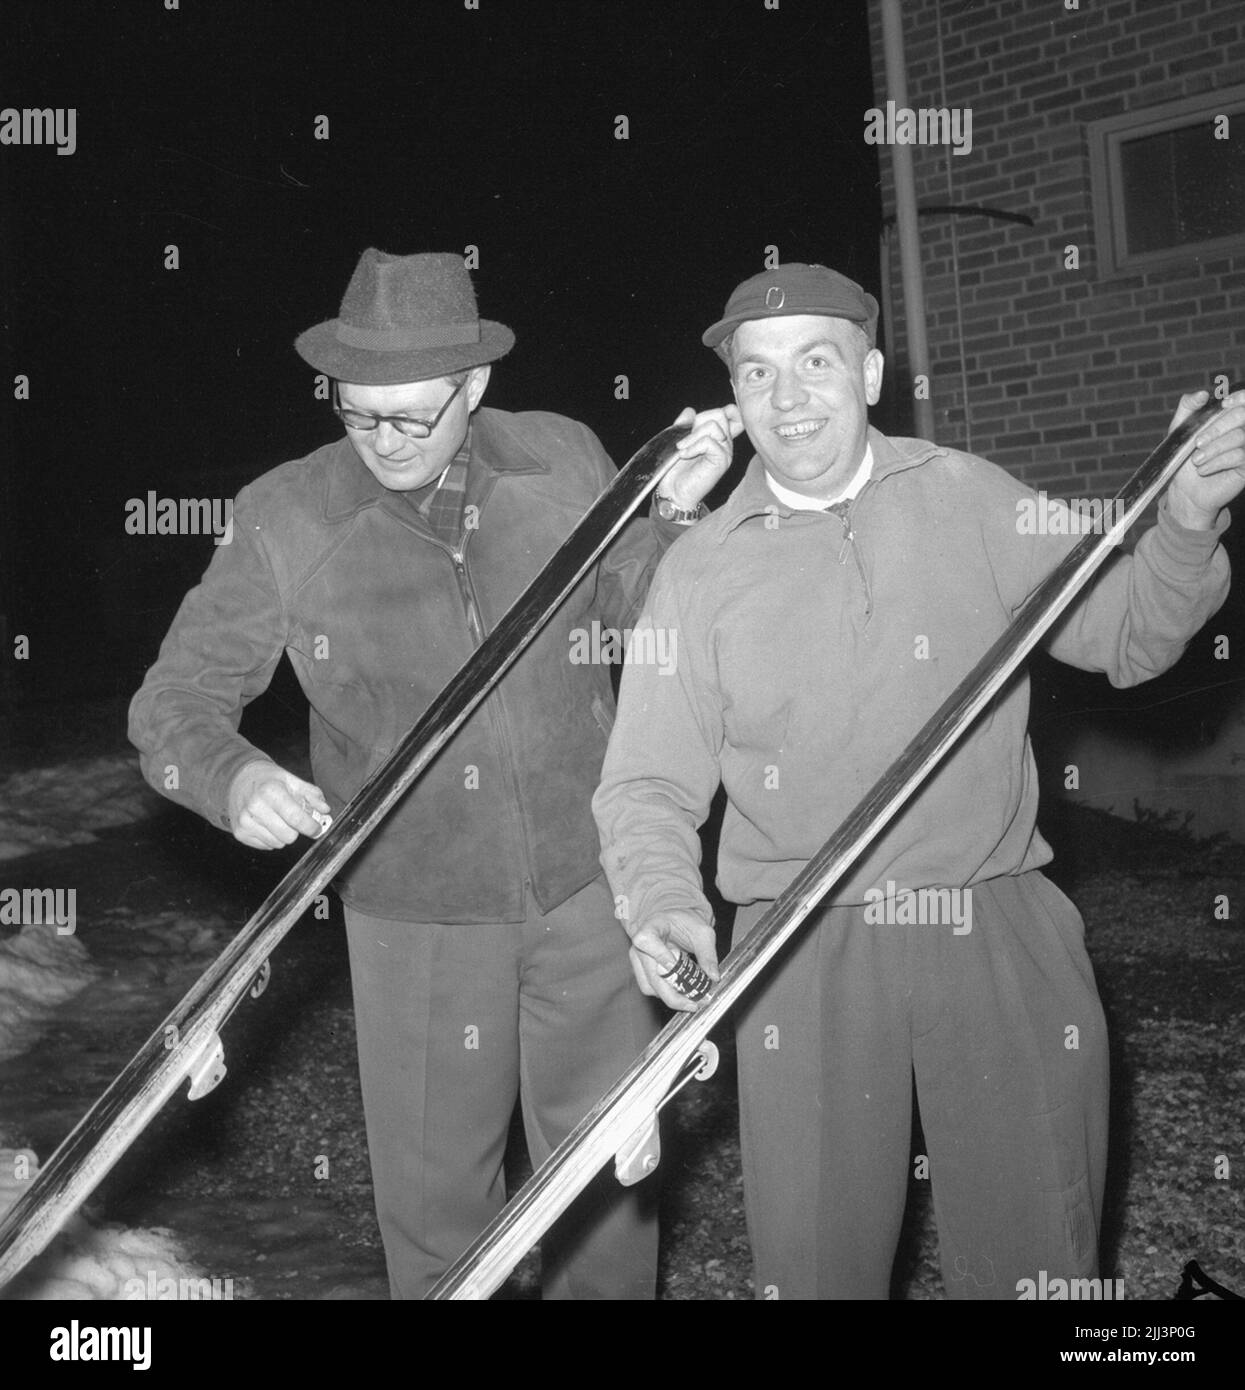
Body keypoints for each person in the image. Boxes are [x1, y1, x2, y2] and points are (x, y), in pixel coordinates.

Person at [592, 262, 1245, 1300]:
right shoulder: (698, 569)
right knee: (816, 1268)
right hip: (795, 950)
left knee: (1042, 1260)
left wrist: (1186, 521)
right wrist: (665, 906)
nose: (790, 395)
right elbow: (645, 788)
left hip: (994, 923)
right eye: (759, 373)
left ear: (872, 372)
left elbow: (1126, 632)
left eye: (818, 361)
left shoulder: (969, 494)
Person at [128, 249, 731, 1299]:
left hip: (589, 891)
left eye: (412, 418)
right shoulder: (287, 514)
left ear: (475, 387)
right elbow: (171, 704)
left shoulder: (562, 459)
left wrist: (672, 516)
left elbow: (644, 621)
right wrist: (231, 777)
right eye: (360, 417)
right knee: (438, 1209)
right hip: (416, 913)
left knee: (606, 1183)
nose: (384, 443)